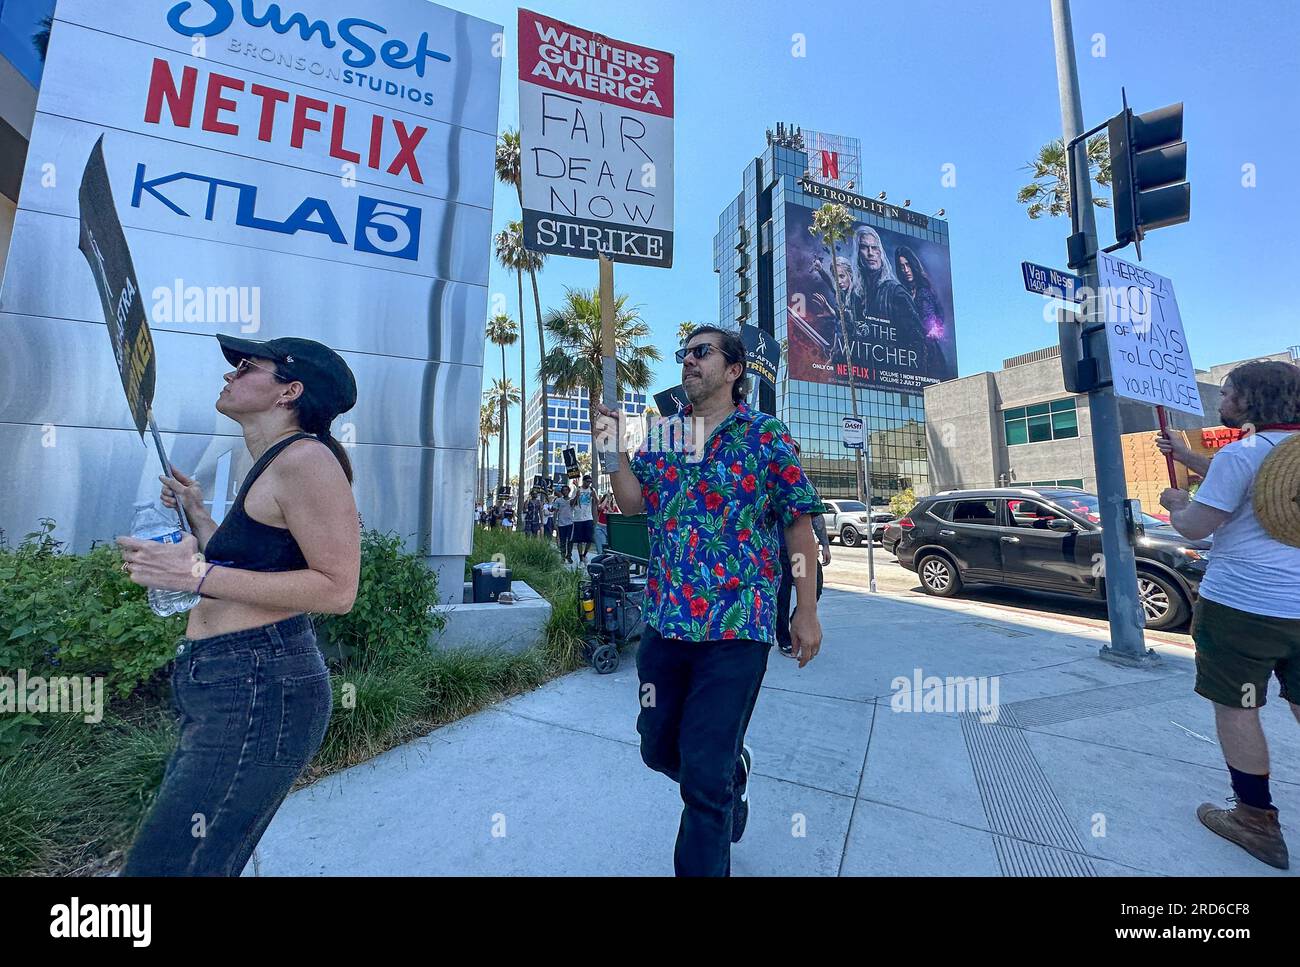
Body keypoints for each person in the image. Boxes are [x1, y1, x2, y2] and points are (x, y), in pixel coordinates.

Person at [116, 335, 359, 876]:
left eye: (247, 366)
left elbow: (336, 589)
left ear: (289, 392)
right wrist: (200, 517)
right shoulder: (273, 460)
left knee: (172, 863)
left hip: (260, 683)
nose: (229, 375)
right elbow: (257, 564)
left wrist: (196, 574)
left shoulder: (307, 460)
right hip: (233, 678)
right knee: (194, 858)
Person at [596, 324, 824, 877]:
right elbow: (630, 504)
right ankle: (731, 773)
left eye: (702, 353)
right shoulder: (666, 435)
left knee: (702, 780)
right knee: (656, 748)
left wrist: (807, 609)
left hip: (736, 630)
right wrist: (611, 450)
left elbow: (799, 525)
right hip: (665, 625)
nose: (689, 362)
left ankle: (718, 783)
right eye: (684, 354)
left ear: (735, 369)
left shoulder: (765, 436)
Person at [1158, 359, 1300, 871]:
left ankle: (1255, 820)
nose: (1222, 399)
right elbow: (1267, 486)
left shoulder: (1241, 454)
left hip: (1245, 608)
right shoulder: (1272, 456)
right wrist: (1188, 456)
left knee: (1239, 706)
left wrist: (1175, 502)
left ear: (1250, 400)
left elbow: (1197, 526)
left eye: (1229, 391)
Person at [774, 439, 830, 658]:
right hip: (778, 551)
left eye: (794, 452)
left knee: (814, 587)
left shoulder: (803, 483)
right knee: (782, 596)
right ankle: (784, 639)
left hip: (799, 554)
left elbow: (816, 517)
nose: (791, 455)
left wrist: (825, 544)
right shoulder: (769, 478)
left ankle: (798, 618)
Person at [848, 225, 921, 340]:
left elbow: (918, 341)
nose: (870, 253)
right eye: (864, 247)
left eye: (874, 247)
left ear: (880, 252)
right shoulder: (855, 295)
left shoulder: (896, 293)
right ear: (858, 252)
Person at [570, 474, 596, 565]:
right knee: (579, 540)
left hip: (588, 517)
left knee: (589, 539)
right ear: (583, 481)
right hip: (578, 518)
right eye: (587, 481)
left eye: (590, 482)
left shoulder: (592, 490)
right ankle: (581, 558)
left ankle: (585, 555)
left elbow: (597, 503)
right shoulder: (577, 490)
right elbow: (571, 504)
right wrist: (577, 496)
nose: (589, 483)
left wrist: (595, 496)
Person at [552, 484, 574, 562]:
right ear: (562, 491)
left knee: (570, 540)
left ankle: (569, 555)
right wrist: (554, 522)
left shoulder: (571, 500)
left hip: (570, 523)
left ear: (569, 491)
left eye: (566, 490)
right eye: (563, 490)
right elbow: (555, 511)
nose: (565, 491)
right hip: (561, 523)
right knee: (562, 541)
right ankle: (562, 556)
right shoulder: (558, 500)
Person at [594, 492, 619, 556]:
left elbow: (615, 515)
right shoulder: (601, 505)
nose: (608, 499)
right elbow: (601, 508)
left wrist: (609, 506)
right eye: (607, 497)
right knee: (601, 550)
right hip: (600, 528)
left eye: (610, 497)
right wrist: (606, 498)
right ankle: (601, 564)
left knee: (611, 550)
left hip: (610, 529)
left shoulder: (614, 507)